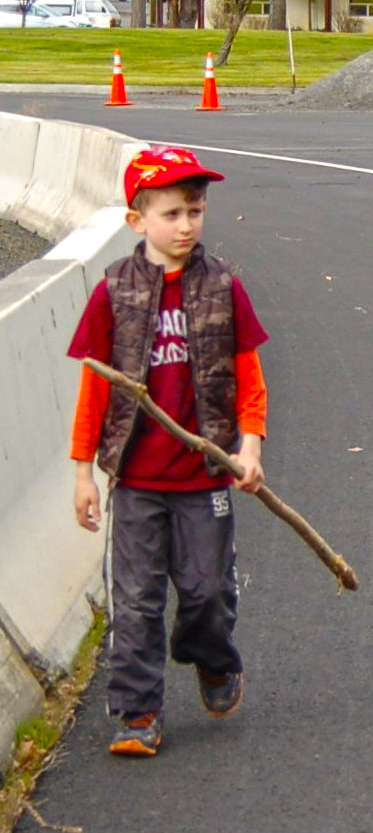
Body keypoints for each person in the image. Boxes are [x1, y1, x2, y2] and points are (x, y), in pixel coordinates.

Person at [68, 145, 270, 757]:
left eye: (196, 211)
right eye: (173, 214)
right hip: (136, 479)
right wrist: (83, 473)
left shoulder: (224, 288)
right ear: (138, 220)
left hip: (205, 476)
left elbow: (249, 378)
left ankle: (212, 658)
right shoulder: (113, 295)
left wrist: (250, 447)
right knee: (135, 600)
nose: (186, 226)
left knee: (206, 590)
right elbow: (94, 388)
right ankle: (138, 711)